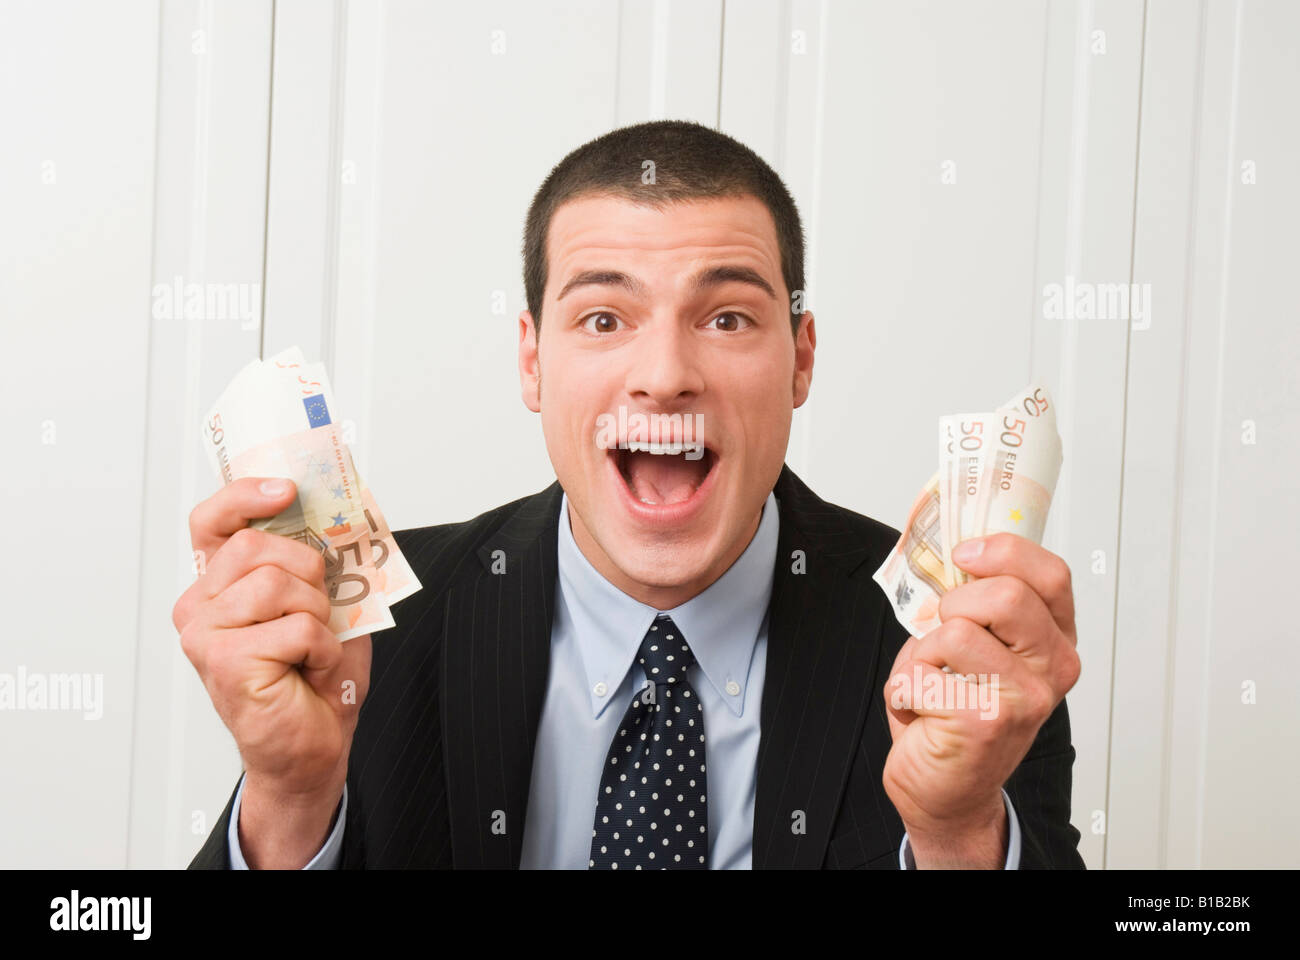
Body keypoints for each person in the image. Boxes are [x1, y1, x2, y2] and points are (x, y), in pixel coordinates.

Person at [176, 120, 1084, 870]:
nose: (663, 375)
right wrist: (290, 804)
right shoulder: (374, 635)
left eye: (726, 317)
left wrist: (957, 834)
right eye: (604, 319)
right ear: (533, 360)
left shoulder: (960, 651)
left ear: (801, 358)